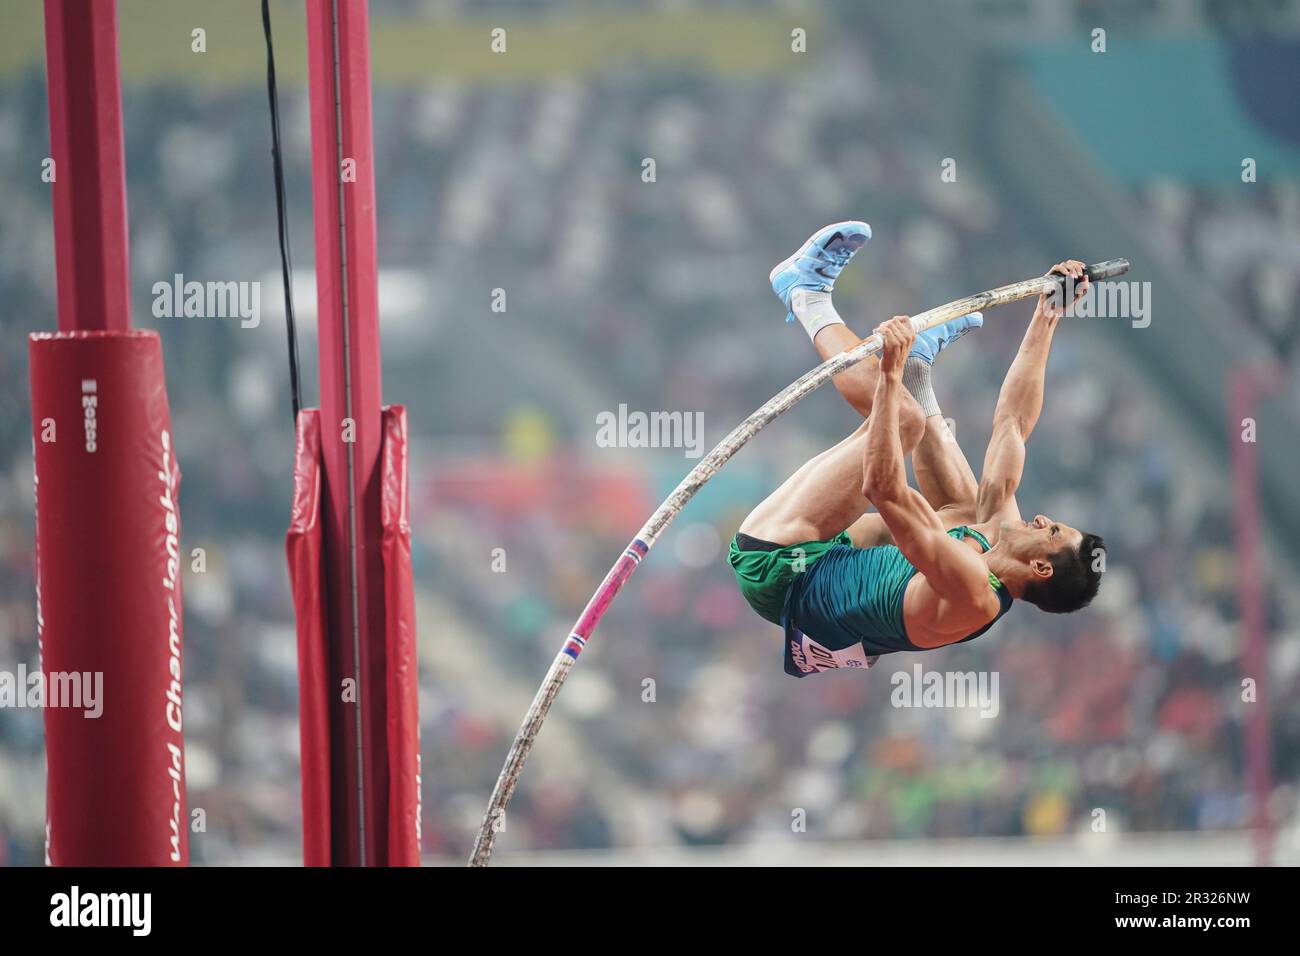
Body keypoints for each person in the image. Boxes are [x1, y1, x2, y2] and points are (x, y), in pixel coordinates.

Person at [728, 221, 1106, 677]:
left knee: (902, 421)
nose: (1042, 520)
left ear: (1041, 568)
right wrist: (1049, 315)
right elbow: (1013, 424)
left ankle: (804, 292)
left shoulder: (972, 592)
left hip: (779, 567)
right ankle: (919, 375)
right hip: (834, 555)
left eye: (1052, 532)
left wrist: (890, 372)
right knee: (968, 508)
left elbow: (883, 489)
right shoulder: (998, 534)